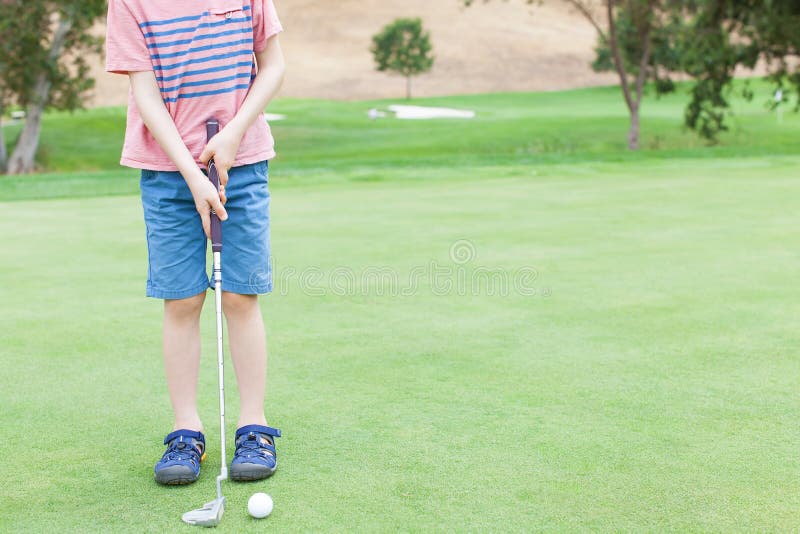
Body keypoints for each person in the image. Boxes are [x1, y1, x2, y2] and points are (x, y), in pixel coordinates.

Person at [105, 0, 286, 485]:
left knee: (240, 296)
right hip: (167, 172)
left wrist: (232, 135)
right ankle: (186, 431)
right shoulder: (129, 3)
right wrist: (192, 174)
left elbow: (272, 67)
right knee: (182, 300)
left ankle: (254, 426)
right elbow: (144, 94)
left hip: (241, 162)